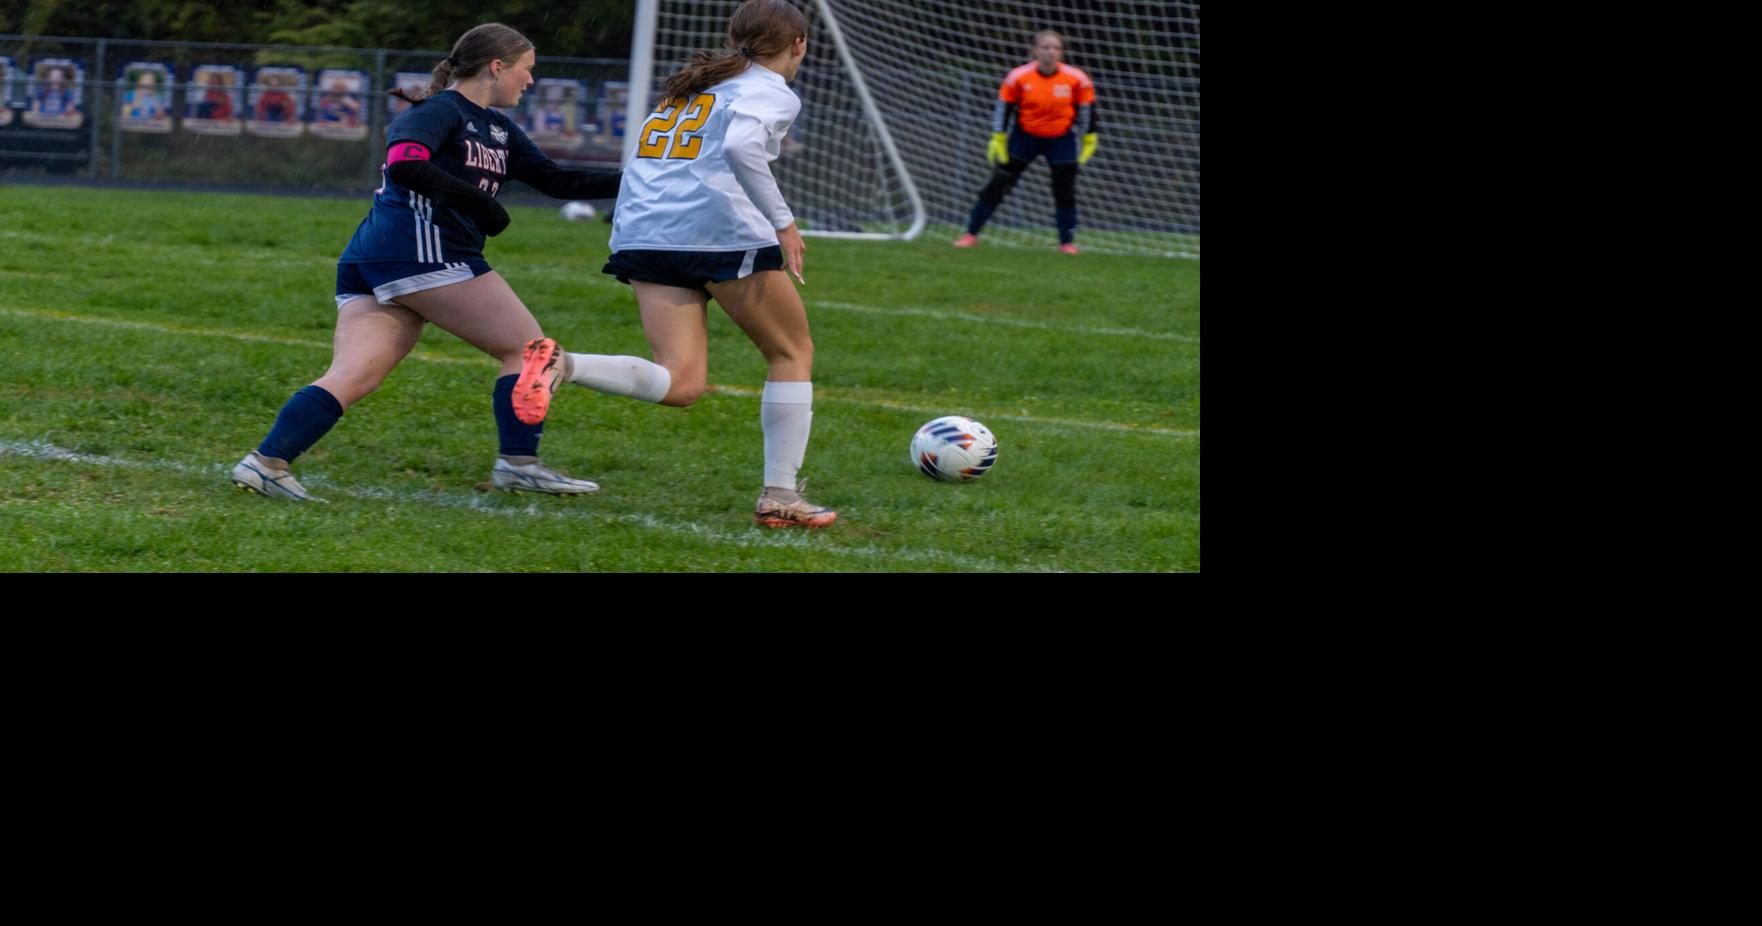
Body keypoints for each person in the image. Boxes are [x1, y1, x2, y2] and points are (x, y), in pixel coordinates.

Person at [231, 22, 620, 502]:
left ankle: (266, 463)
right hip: (419, 252)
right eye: (526, 70)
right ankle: (520, 463)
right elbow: (406, 163)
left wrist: (643, 178)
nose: (531, 81)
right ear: (497, 67)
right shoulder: (440, 112)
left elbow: (561, 183)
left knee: (356, 375)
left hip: (380, 257)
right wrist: (482, 205)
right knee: (531, 351)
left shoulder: (497, 127)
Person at [517, 0, 834, 528]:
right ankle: (780, 494)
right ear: (798, 43)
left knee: (683, 382)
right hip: (715, 231)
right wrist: (783, 222)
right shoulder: (769, 89)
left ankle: (562, 365)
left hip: (643, 231)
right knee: (790, 351)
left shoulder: (692, 88)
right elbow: (740, 146)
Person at [952, 30, 1098, 254]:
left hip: (1061, 138)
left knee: (1064, 189)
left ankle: (1066, 243)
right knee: (999, 183)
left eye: (1055, 48)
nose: (1050, 52)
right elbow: (1004, 107)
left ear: (1061, 53)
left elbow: (1087, 110)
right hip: (1025, 136)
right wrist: (998, 136)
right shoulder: (1018, 76)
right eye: (1045, 47)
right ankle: (970, 234)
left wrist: (1089, 137)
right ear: (1035, 51)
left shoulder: (1077, 78)